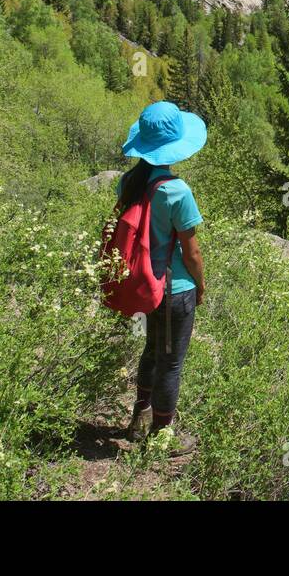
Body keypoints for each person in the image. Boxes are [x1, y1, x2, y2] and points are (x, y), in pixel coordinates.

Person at [116, 101, 207, 454]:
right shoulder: (177, 191)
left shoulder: (129, 182)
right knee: (171, 361)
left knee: (152, 351)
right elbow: (192, 252)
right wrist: (200, 285)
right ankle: (161, 436)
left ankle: (139, 419)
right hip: (174, 289)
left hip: (143, 286)